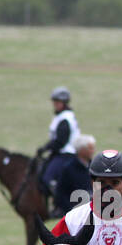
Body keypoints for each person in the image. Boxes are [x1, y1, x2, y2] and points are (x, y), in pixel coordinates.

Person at [38, 86, 86, 217]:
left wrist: (45, 148)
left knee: (48, 178)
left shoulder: (65, 118)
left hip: (66, 154)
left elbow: (60, 141)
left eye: (57, 102)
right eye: (54, 102)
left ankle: (60, 206)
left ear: (64, 103)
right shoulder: (63, 116)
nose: (55, 105)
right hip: (63, 153)